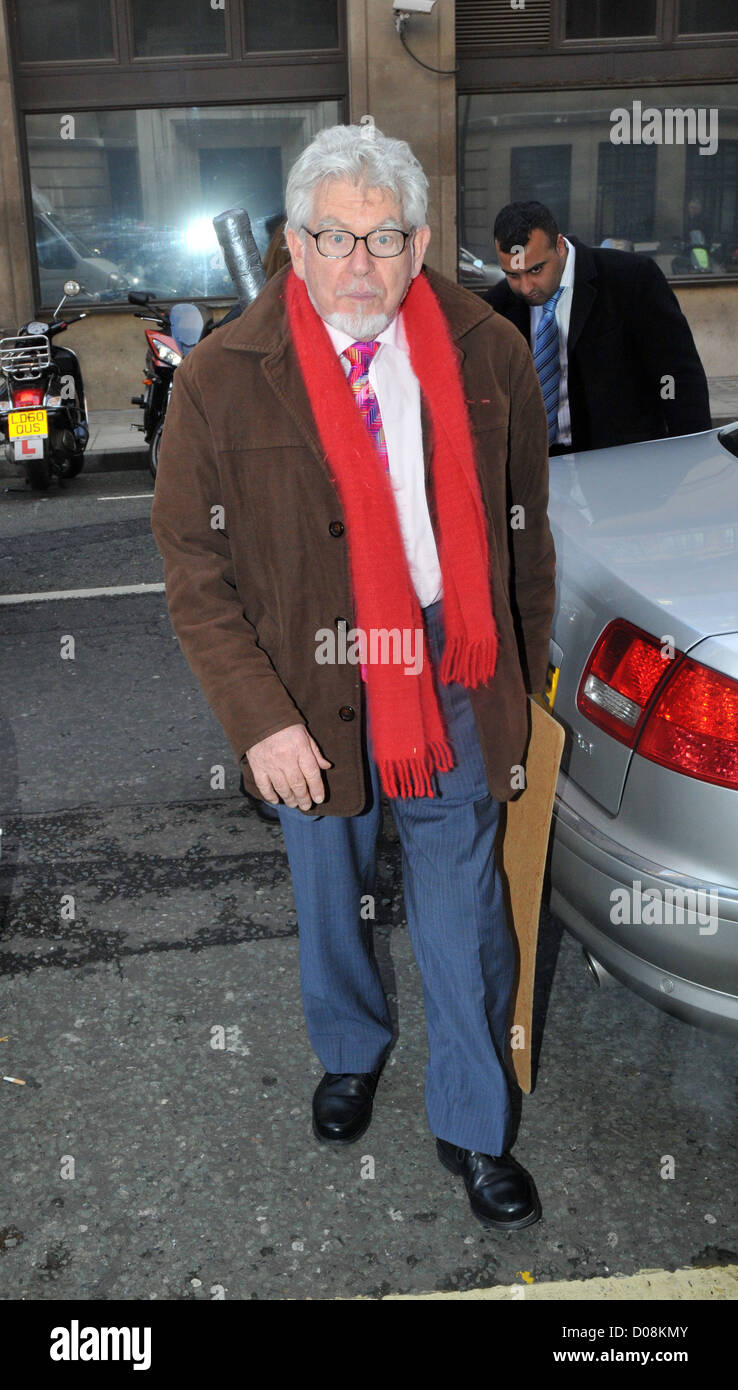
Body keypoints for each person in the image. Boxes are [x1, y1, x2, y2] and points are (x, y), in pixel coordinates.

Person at [151, 125, 556, 1232]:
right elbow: (193, 564)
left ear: (422, 241)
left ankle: (474, 1123)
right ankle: (349, 1046)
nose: (362, 264)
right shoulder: (226, 376)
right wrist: (258, 720)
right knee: (329, 883)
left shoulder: (488, 352)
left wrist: (521, 689)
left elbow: (525, 537)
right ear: (297, 241)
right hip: (307, 670)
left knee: (465, 898)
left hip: (450, 659)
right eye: (336, 236)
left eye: (387, 238)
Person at [484, 200, 711, 454]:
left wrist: (692, 455)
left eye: (536, 269)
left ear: (559, 246)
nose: (526, 287)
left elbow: (678, 375)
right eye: (513, 275)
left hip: (621, 463)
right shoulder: (496, 306)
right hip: (537, 469)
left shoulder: (631, 279)